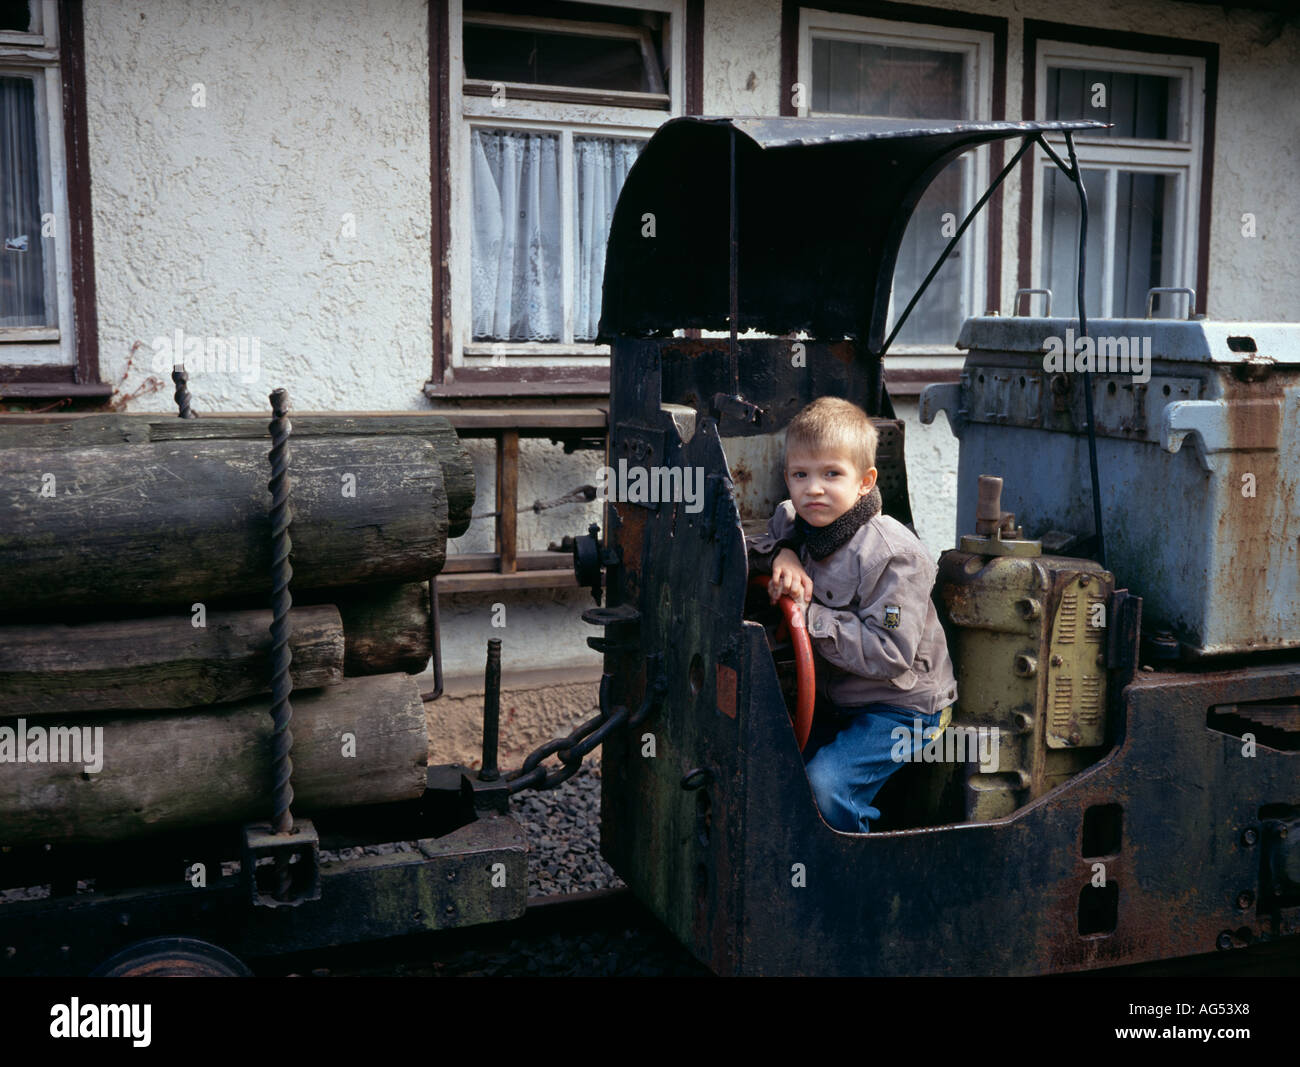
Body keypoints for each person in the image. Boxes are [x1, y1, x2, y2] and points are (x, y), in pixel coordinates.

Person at [747, 396, 957, 833]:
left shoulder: (895, 556)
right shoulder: (801, 522)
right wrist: (781, 555)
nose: (814, 489)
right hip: (839, 700)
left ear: (865, 482)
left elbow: (888, 653)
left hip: (902, 710)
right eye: (800, 475)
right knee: (768, 772)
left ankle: (851, 875)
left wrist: (810, 615)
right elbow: (778, 523)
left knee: (825, 786)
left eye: (832, 474)